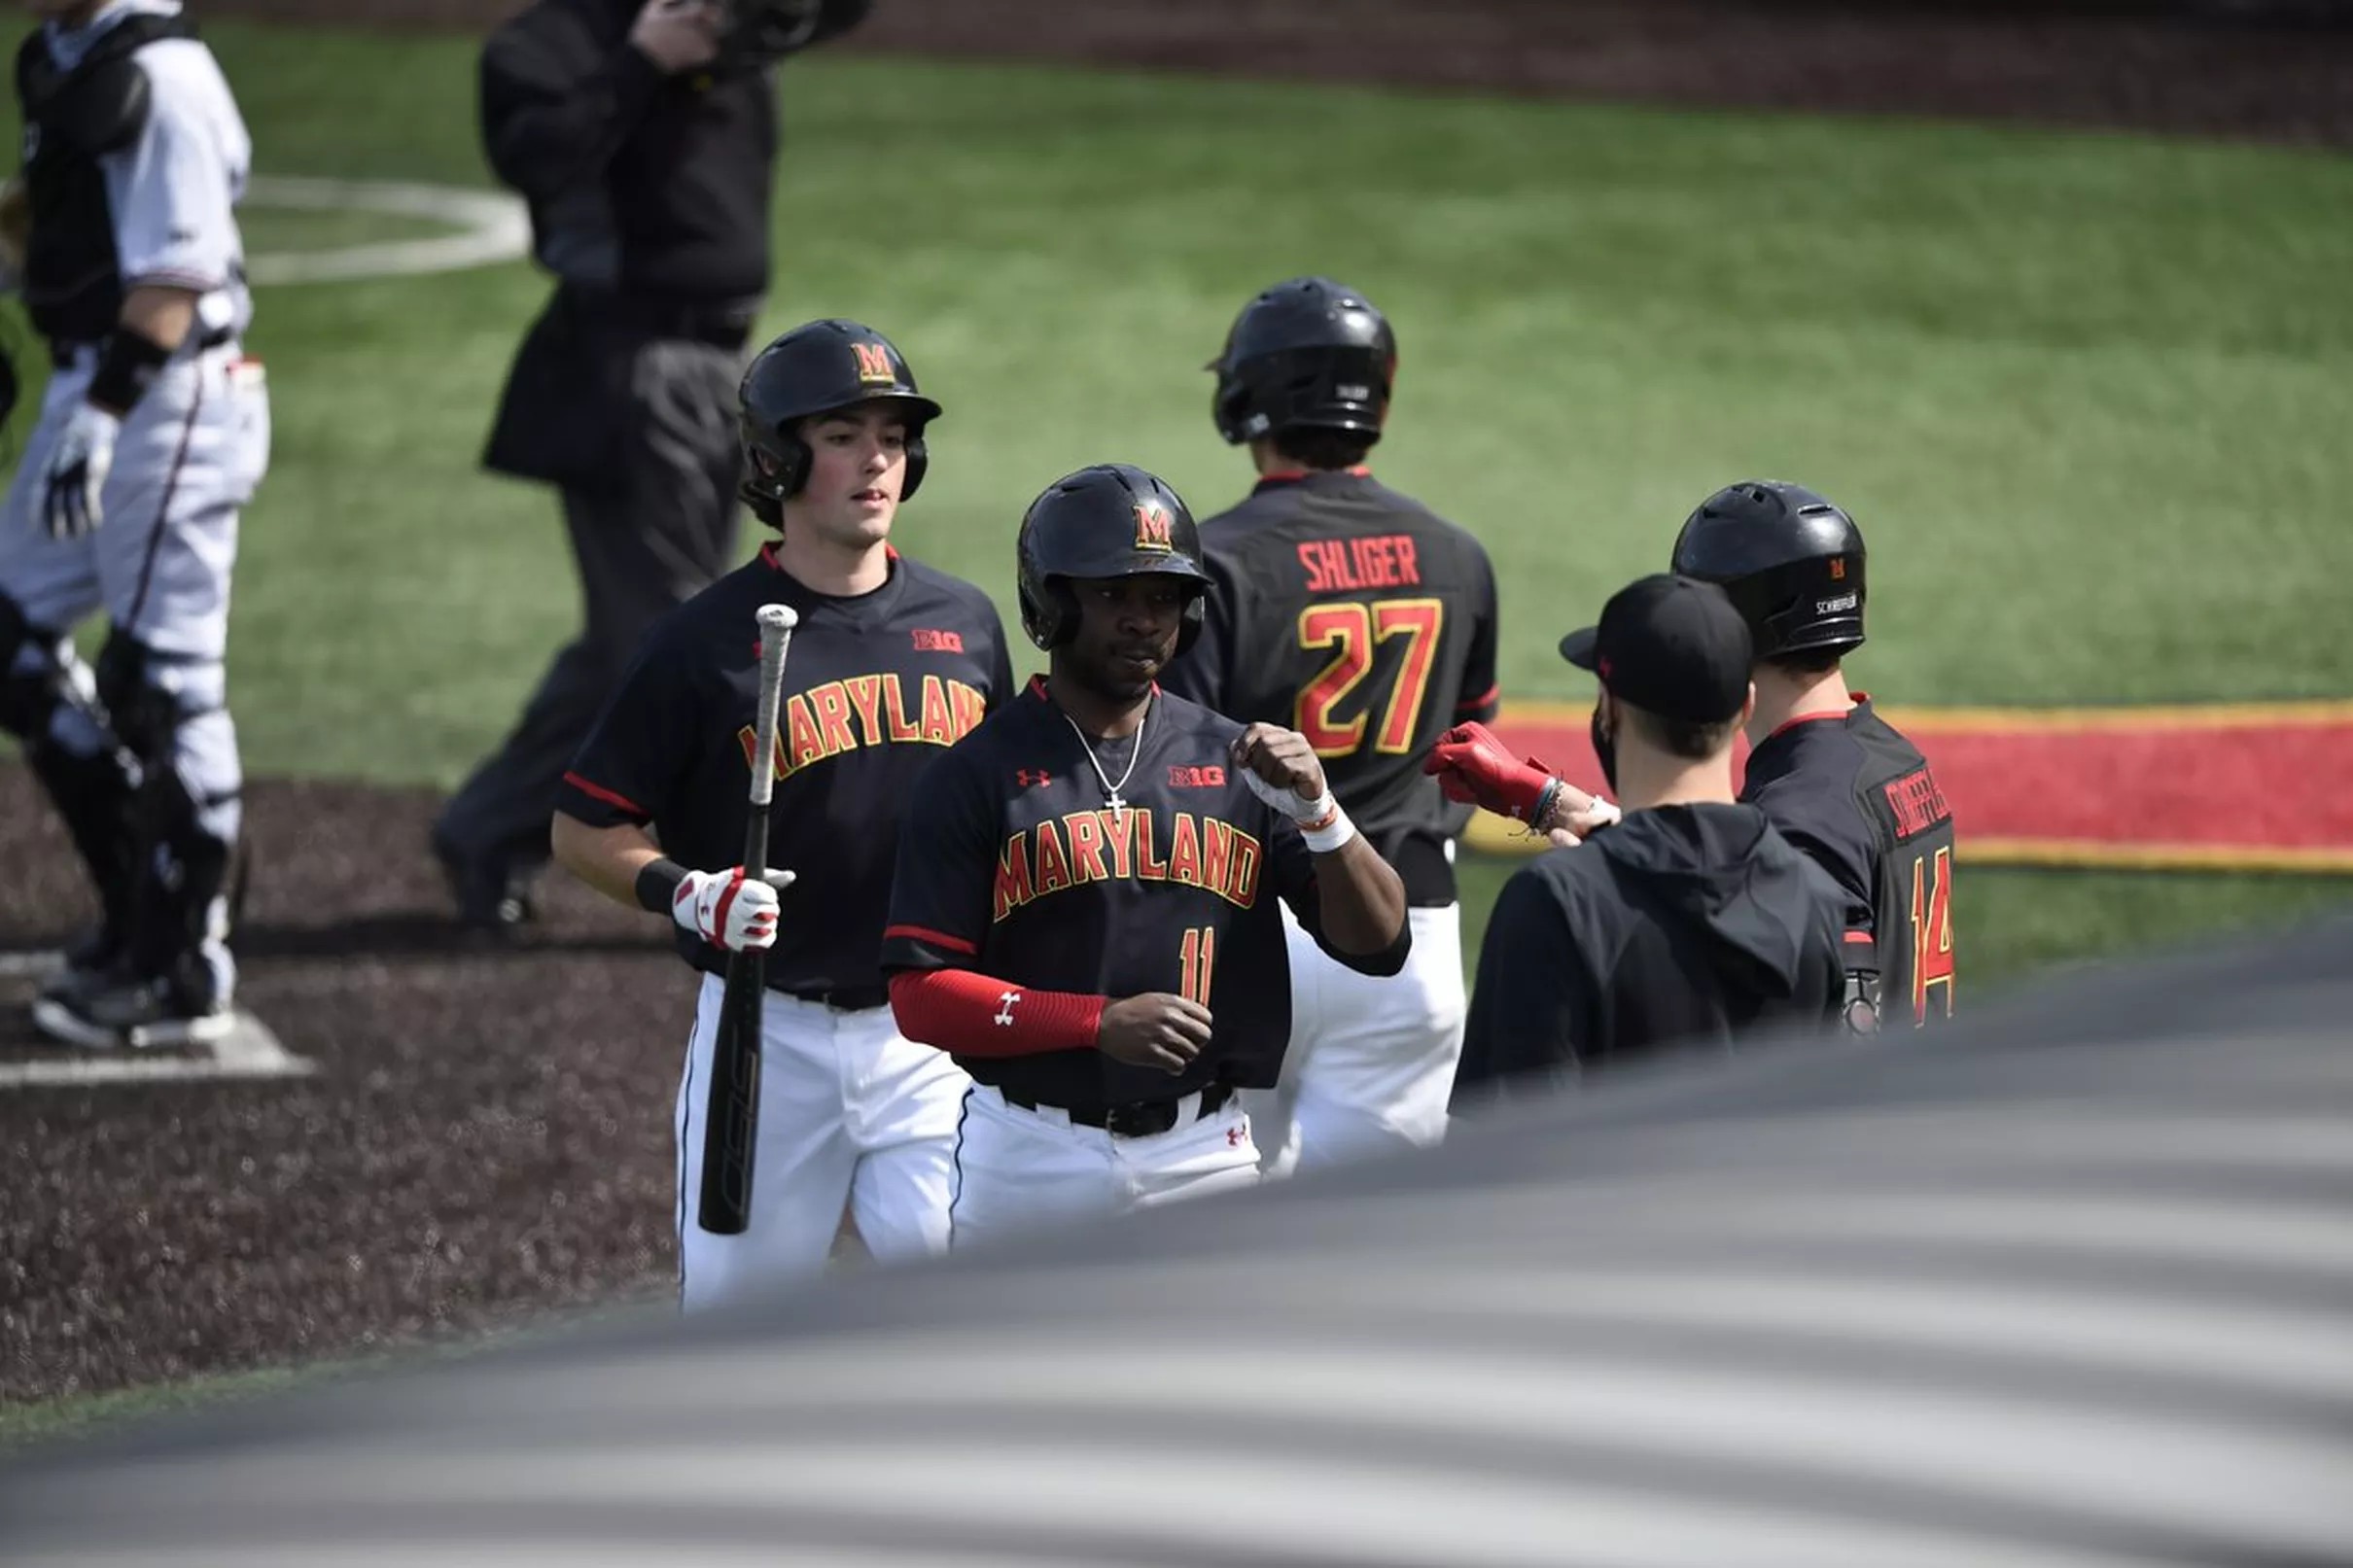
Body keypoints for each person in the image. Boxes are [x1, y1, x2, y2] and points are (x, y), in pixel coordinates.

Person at [549, 320, 1011, 1310]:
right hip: (768, 1042)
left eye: (893, 436)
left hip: (927, 1037)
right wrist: (687, 893)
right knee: (733, 1332)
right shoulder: (700, 642)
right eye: (843, 435)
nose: (877, 459)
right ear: (776, 460)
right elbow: (583, 826)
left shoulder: (966, 623)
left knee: (969, 1318)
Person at [879, 464, 1412, 1247]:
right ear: (1053, 602)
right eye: (1113, 594)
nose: (1142, 620)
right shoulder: (974, 774)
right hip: (1028, 1158)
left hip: (1204, 1155)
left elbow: (1380, 945)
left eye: (1164, 596)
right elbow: (920, 994)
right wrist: (1093, 1023)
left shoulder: (1238, 761)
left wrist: (1321, 813)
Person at [436, 0, 869, 936]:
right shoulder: (549, 46)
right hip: (630, 365)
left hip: (729, 367)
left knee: (632, 641)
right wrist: (641, 62)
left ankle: (487, 827)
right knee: (685, 637)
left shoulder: (734, 19)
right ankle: (726, 881)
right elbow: (535, 161)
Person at [1160, 276, 1499, 1174]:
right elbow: (1472, 751)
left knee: (1214, 1212)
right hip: (1411, 931)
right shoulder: (1457, 556)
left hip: (1249, 931)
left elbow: (1176, 769)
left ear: (1251, 394)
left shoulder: (1217, 561)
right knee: (1374, 1234)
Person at [1427, 481, 1957, 1030]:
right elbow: (1707, 877)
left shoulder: (1801, 813)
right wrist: (1550, 803)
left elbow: (1837, 1032)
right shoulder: (1888, 758)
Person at [0, 0, 270, 1047]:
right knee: (13, 639)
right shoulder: (70, 58)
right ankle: (136, 901)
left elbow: (177, 274)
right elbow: (67, 224)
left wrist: (101, 417)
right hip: (100, 393)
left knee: (163, 684)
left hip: (165, 399)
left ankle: (183, 966)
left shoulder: (167, 80)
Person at [1451, 575, 1847, 1104]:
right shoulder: (1815, 898)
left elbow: (1508, 1139)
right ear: (1746, 706)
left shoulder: (1557, 905)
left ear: (1609, 707)